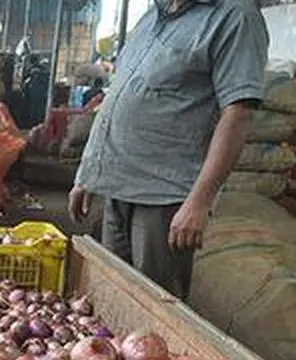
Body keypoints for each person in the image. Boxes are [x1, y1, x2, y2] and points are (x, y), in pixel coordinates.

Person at [67, 0, 268, 299]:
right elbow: (118, 95)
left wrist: (199, 203)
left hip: (163, 197)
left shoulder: (235, 17)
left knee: (154, 308)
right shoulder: (152, 16)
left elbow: (238, 114)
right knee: (111, 299)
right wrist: (88, 172)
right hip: (117, 185)